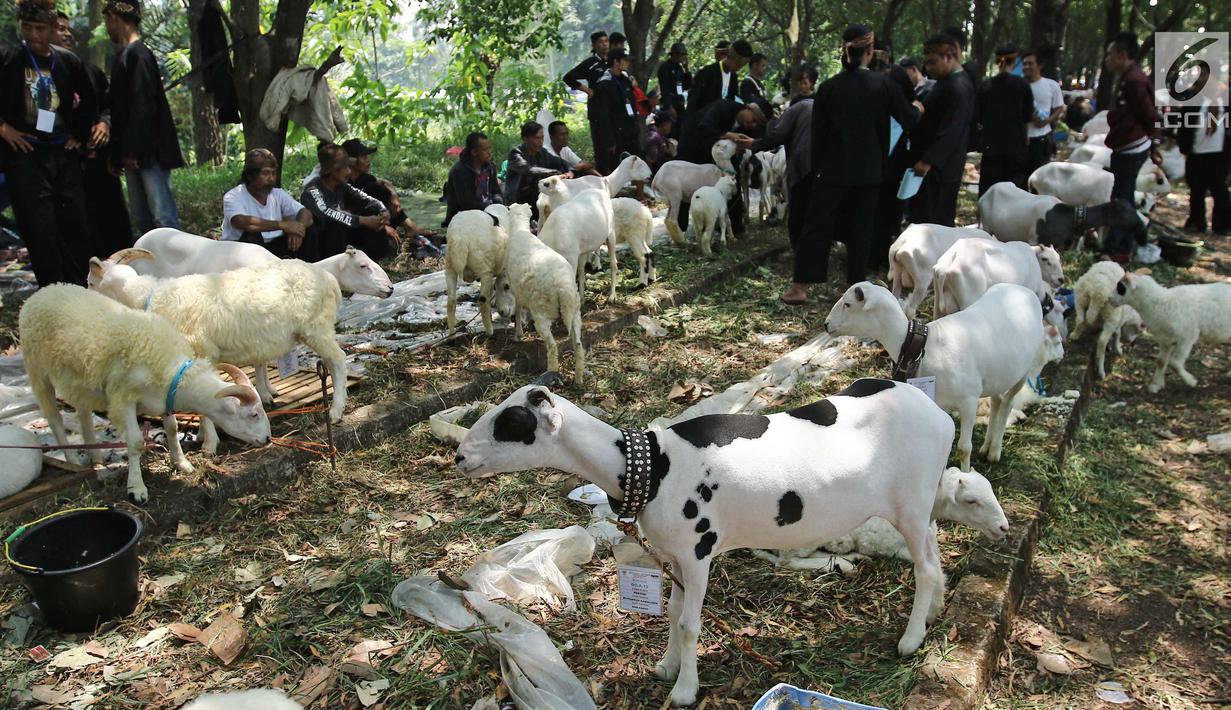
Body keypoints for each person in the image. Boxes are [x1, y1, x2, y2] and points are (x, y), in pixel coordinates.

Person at [791, 24, 919, 303]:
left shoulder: (828, 88)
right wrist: (918, 110)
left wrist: (818, 169)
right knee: (861, 228)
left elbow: (818, 135)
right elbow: (910, 120)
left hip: (832, 169)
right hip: (870, 172)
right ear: (870, 51)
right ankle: (855, 285)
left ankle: (800, 287)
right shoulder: (884, 86)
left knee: (817, 226)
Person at [1, 0, 98, 287]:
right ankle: (51, 292)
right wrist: (4, 128)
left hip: (62, 153)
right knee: (38, 229)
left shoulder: (67, 61)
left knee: (75, 225)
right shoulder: (9, 58)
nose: (32, 35)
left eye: (40, 28)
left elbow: (89, 100)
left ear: (53, 27)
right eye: (27, 27)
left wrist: (78, 135)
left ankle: (79, 290)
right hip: (25, 154)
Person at [55, 9, 132, 255]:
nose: (67, 34)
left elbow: (109, 105)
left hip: (99, 164)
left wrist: (104, 123)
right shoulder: (37, 74)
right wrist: (63, 134)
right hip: (64, 165)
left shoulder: (88, 70)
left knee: (112, 223)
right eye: (60, 29)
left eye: (69, 29)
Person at [104, 0, 184, 232]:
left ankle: (174, 267)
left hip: (149, 153)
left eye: (107, 21)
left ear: (114, 17)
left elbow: (143, 107)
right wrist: (118, 153)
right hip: (135, 153)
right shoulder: (124, 56)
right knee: (143, 219)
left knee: (163, 218)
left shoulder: (139, 54)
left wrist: (130, 150)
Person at [1102, 31, 1160, 262]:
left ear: (1122, 54)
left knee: (1122, 201)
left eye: (1110, 54)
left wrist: (1154, 143)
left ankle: (1116, 247)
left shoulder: (1135, 80)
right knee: (1122, 196)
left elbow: (1150, 114)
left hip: (1132, 147)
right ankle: (1123, 245)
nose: (1107, 59)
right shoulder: (1128, 77)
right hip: (1125, 145)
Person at [749, 65, 814, 269]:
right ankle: (815, 254)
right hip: (826, 167)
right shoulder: (822, 106)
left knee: (798, 209)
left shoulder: (795, 109)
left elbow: (777, 135)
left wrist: (752, 145)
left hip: (803, 165)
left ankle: (800, 254)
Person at [908, 32, 974, 228]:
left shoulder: (958, 86)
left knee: (934, 219)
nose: (928, 69)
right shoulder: (946, 83)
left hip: (940, 169)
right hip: (933, 164)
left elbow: (951, 130)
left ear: (949, 57)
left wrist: (928, 160)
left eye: (932, 63)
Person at [301, 143, 393, 260]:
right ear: (333, 171)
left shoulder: (341, 186)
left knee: (369, 211)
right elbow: (328, 213)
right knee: (335, 225)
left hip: (341, 238)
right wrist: (362, 220)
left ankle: (376, 258)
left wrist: (382, 209)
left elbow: (364, 198)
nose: (349, 171)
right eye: (345, 167)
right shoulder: (313, 189)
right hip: (320, 245)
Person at [223, 148, 316, 259]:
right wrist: (282, 225)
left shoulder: (278, 194)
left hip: (273, 247)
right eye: (266, 173)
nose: (271, 178)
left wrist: (298, 229)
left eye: (273, 173)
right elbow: (241, 221)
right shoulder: (233, 196)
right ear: (250, 176)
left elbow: (306, 213)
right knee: (252, 235)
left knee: (310, 230)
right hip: (242, 251)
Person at [976, 43, 1034, 194]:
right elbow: (1027, 118)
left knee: (989, 192)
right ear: (1015, 61)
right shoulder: (1023, 85)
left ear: (996, 61)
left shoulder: (985, 86)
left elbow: (980, 118)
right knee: (1015, 191)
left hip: (991, 148)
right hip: (1016, 147)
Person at [1179, 97, 1231, 235]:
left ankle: (1223, 225)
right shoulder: (1194, 100)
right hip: (1197, 152)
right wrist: (1184, 147)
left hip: (1219, 154)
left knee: (1219, 189)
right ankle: (1197, 222)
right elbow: (1183, 125)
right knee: (1196, 189)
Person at [503, 121, 572, 220]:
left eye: (542, 137)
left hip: (537, 198)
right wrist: (555, 173)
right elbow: (528, 169)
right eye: (537, 138)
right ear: (525, 139)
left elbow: (560, 162)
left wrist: (570, 171)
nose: (540, 141)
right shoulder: (516, 153)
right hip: (519, 201)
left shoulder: (542, 152)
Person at [592, 48, 641, 174]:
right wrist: (609, 141)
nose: (628, 63)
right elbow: (604, 116)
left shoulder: (626, 80)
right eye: (625, 60)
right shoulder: (605, 84)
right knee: (618, 169)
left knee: (636, 164)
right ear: (616, 62)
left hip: (631, 132)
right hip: (616, 135)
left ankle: (638, 191)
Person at [443, 131, 502, 227]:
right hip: (463, 219)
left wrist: (498, 201)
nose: (489, 152)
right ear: (474, 152)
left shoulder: (490, 167)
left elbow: (496, 191)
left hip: (487, 213)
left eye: (489, 148)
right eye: (485, 149)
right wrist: (492, 204)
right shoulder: (459, 171)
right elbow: (467, 204)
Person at [1023, 49, 1065, 175]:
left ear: (1039, 66)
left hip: (1042, 138)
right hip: (1022, 139)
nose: (1026, 67)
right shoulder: (1019, 85)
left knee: (1039, 176)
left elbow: (1059, 107)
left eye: (1030, 63)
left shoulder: (1051, 85)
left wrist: (1048, 120)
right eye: (1024, 64)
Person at [688, 39, 751, 115]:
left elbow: (733, 99)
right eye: (739, 65)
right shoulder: (708, 72)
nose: (739, 68)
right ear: (733, 57)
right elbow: (693, 101)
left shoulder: (733, 77)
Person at [657, 42, 691, 138]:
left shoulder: (679, 68)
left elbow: (686, 86)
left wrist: (687, 70)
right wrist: (670, 106)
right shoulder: (665, 68)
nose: (682, 58)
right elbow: (665, 88)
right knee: (671, 132)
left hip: (679, 103)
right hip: (670, 105)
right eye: (680, 55)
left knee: (682, 131)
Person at [740, 53, 772, 117]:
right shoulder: (747, 82)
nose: (765, 68)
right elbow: (749, 104)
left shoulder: (759, 83)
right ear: (755, 65)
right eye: (763, 65)